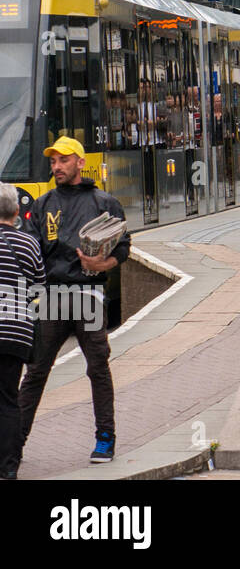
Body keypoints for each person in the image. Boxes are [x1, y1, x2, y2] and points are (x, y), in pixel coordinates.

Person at [17, 137, 130, 464]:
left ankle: (105, 437)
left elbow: (123, 248)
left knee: (97, 366)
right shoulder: (43, 204)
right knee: (36, 371)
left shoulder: (104, 202)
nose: (56, 167)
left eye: (63, 160)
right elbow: (32, 249)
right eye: (53, 161)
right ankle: (14, 442)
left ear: (80, 163)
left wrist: (103, 264)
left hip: (88, 294)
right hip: (51, 295)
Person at [0, 183, 43, 479]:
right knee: (8, 399)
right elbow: (39, 287)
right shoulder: (29, 244)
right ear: (17, 212)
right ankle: (8, 467)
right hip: (16, 333)